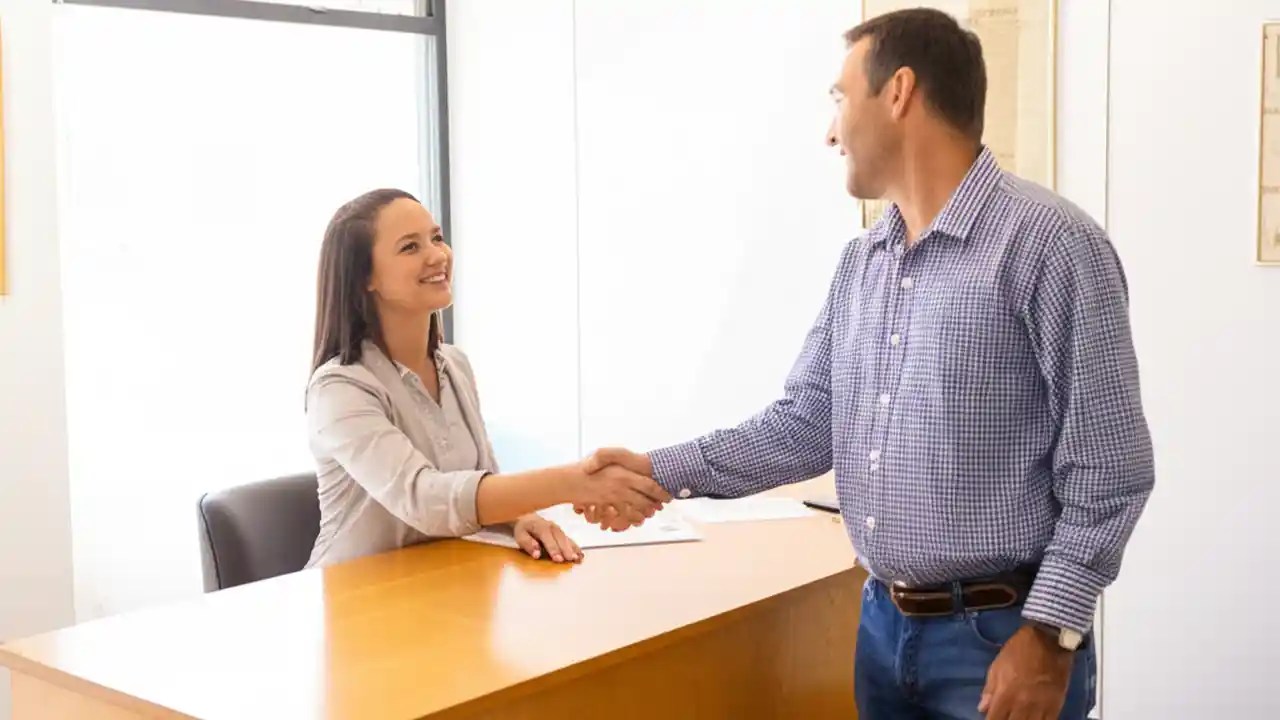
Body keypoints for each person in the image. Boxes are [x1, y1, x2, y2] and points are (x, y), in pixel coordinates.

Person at [580, 9, 1153, 719]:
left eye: (838, 100)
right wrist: (655, 470)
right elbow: (805, 424)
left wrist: (1051, 638)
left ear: (899, 92)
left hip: (1004, 640)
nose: (830, 131)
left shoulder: (1051, 245)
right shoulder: (863, 263)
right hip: (882, 630)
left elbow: (1111, 467)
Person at [305, 188, 671, 569]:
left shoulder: (455, 365)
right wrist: (575, 481)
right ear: (365, 277)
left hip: (440, 584)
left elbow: (480, 483)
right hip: (353, 598)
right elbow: (423, 499)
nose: (438, 255)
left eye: (437, 238)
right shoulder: (339, 388)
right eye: (410, 247)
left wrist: (517, 518)